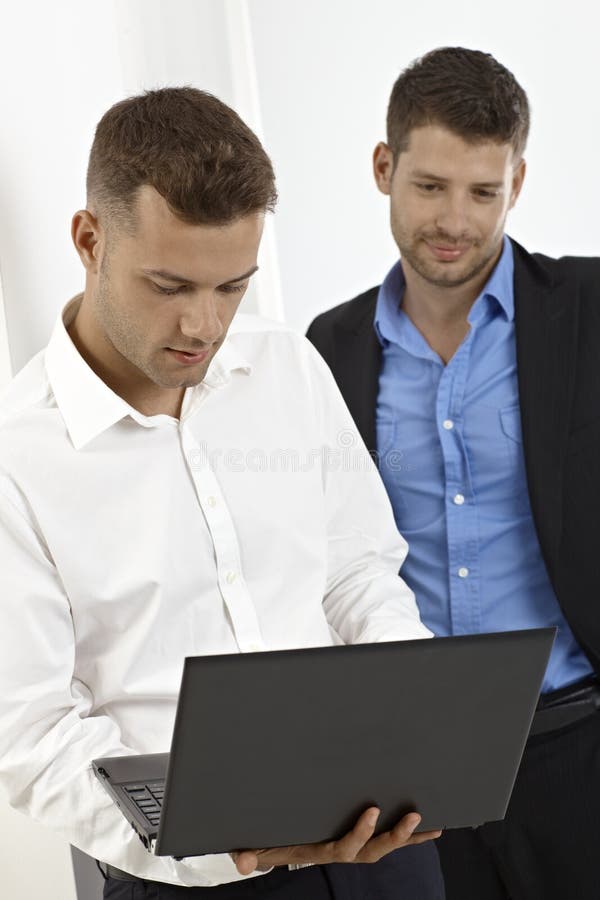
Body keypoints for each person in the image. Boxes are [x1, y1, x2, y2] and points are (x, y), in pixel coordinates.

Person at [0, 87, 445, 899]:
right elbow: (32, 735)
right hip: (187, 872)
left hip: (379, 847)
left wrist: (411, 730)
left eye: (232, 287)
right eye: (170, 286)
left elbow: (357, 574)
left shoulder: (287, 366)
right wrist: (215, 842)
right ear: (90, 240)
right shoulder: (17, 460)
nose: (204, 326)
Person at [307, 46, 600, 900]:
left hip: (577, 740)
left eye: (483, 192)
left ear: (517, 183)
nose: (454, 220)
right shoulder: (329, 349)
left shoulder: (589, 311)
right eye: (430, 186)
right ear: (383, 169)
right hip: (415, 766)